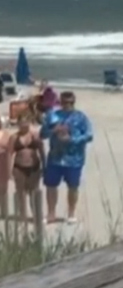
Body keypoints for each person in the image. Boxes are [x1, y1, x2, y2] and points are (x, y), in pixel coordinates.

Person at [40, 91, 93, 224]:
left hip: (74, 159)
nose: (67, 105)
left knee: (73, 186)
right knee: (51, 186)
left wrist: (72, 139)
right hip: (55, 157)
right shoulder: (54, 116)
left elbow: (89, 135)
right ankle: (51, 214)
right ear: (60, 102)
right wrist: (53, 130)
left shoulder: (81, 117)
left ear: (74, 102)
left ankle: (71, 213)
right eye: (64, 102)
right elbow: (42, 134)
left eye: (70, 103)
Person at [9, 115, 45, 221]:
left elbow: (42, 151)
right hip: (19, 167)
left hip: (34, 167)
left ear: (29, 122)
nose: (24, 124)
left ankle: (36, 215)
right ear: (18, 124)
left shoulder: (35, 135)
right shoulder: (14, 137)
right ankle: (22, 215)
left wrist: (44, 165)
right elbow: (9, 154)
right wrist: (9, 170)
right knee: (20, 192)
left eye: (26, 122)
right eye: (22, 122)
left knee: (34, 191)